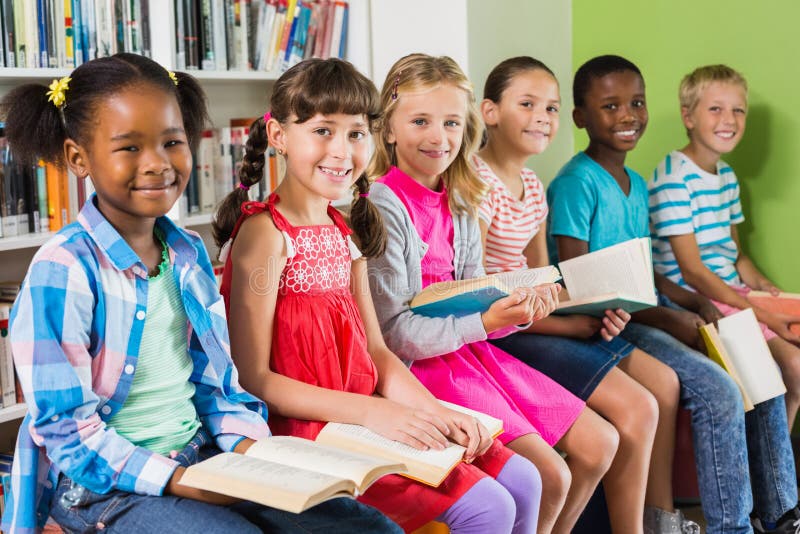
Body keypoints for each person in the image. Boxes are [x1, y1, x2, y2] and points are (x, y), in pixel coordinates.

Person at [0, 53, 400, 534]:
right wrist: (182, 481)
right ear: (77, 158)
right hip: (103, 488)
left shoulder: (187, 254)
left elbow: (219, 386)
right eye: (129, 147)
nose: (158, 163)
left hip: (202, 456)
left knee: (368, 528)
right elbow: (68, 433)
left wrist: (259, 456)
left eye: (172, 141)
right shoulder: (63, 270)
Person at [214, 57, 542, 534]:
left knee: (524, 480)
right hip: (311, 429)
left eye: (355, 133)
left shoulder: (346, 229)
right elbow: (254, 378)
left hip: (371, 413)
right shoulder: (265, 235)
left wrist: (433, 411)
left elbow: (378, 351)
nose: (342, 151)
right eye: (323, 130)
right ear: (279, 137)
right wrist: (374, 411)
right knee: (487, 507)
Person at [356, 52, 623, 534]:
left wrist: (519, 310)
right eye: (420, 121)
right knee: (550, 474)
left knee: (599, 443)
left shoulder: (460, 199)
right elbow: (395, 336)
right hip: (423, 370)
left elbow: (478, 293)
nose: (439, 138)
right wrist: (489, 321)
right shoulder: (382, 205)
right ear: (389, 129)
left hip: (473, 355)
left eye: (452, 123)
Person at [547, 54, 799, 534]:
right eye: (611, 105)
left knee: (757, 371)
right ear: (581, 117)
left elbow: (644, 269)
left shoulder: (636, 184)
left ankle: (780, 512)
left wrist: (693, 303)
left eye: (637, 103)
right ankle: (730, 526)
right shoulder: (575, 184)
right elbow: (582, 284)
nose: (628, 116)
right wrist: (668, 318)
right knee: (719, 391)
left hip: (652, 311)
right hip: (618, 327)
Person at [475, 55, 685, 534]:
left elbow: (540, 276)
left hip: (538, 315)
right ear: (489, 112)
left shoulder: (531, 185)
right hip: (502, 332)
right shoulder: (476, 184)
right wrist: (570, 323)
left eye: (549, 108)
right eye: (527, 104)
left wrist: (596, 311)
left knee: (651, 393)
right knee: (637, 407)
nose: (541, 118)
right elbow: (488, 300)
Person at [648, 64, 800, 426]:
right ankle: (777, 475)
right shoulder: (673, 177)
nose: (728, 119)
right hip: (695, 295)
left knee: (794, 349)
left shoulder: (727, 177)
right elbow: (694, 271)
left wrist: (765, 289)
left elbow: (736, 255)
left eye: (738, 110)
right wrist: (760, 313)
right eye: (715, 108)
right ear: (688, 116)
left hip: (731, 290)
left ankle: (779, 468)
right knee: (793, 366)